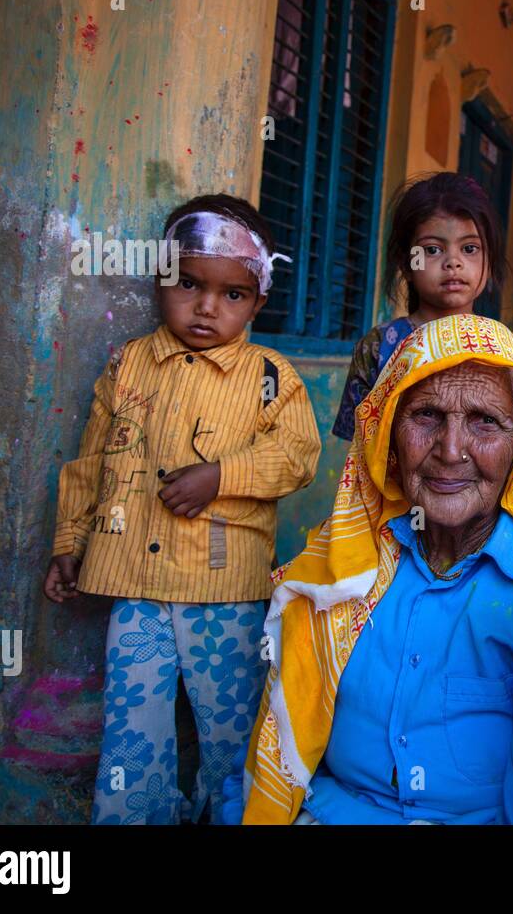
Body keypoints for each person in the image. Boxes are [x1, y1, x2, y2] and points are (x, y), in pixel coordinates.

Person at [226, 314, 513, 824]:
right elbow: (275, 729)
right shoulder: (341, 563)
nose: (451, 451)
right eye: (426, 416)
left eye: (484, 422)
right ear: (388, 434)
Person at [44, 193, 322, 823]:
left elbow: (298, 456)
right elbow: (91, 460)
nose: (206, 307)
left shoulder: (270, 378)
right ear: (160, 279)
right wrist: (70, 542)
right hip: (134, 588)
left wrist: (221, 476)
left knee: (230, 735)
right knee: (131, 732)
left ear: (259, 301)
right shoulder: (128, 365)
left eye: (232, 295)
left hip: (225, 592)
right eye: (188, 284)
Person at [330, 173, 510, 440]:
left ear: (490, 261)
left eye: (470, 248)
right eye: (433, 250)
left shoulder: (503, 350)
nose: (453, 262)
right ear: (407, 265)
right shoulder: (379, 348)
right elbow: (361, 447)